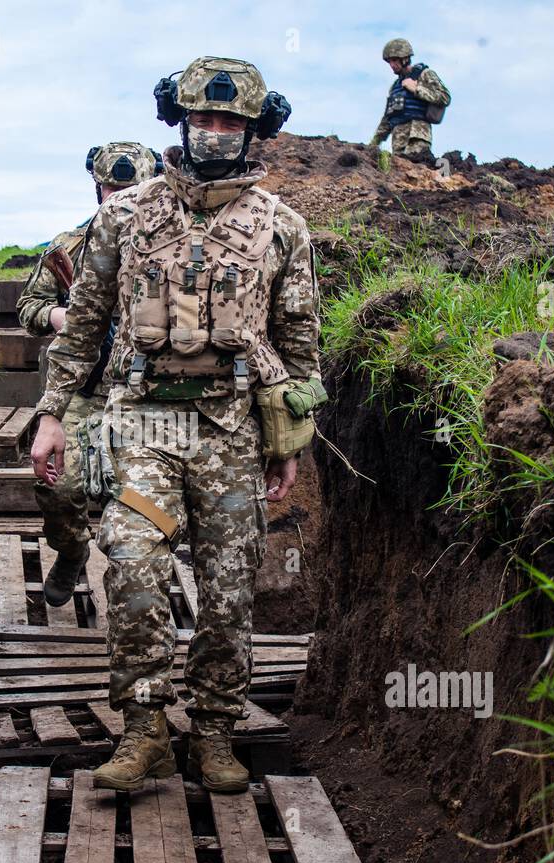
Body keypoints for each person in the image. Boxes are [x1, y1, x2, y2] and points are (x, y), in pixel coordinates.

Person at [29, 56, 325, 793]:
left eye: (229, 121)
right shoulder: (124, 216)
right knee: (133, 561)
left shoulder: (283, 227)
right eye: (202, 118)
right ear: (179, 120)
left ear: (254, 129)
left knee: (229, 588)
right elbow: (83, 324)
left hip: (232, 431)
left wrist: (290, 438)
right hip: (142, 427)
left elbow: (298, 339)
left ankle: (216, 732)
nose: (214, 131)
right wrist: (53, 414)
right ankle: (144, 729)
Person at [16, 143, 162, 606]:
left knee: (145, 498)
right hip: (80, 391)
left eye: (132, 189)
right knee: (58, 486)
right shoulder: (71, 246)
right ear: (98, 188)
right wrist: (60, 316)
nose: (120, 198)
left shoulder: (172, 247)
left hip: (145, 396)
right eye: (112, 189)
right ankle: (72, 548)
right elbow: (28, 307)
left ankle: (139, 586)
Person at [367, 38, 450, 166]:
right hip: (398, 140)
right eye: (389, 62)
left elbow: (444, 97)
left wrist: (416, 89)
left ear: (405, 58)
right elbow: (388, 117)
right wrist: (374, 143)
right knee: (399, 171)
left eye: (395, 60)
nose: (392, 65)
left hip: (417, 134)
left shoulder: (424, 74)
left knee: (417, 168)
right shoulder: (395, 86)